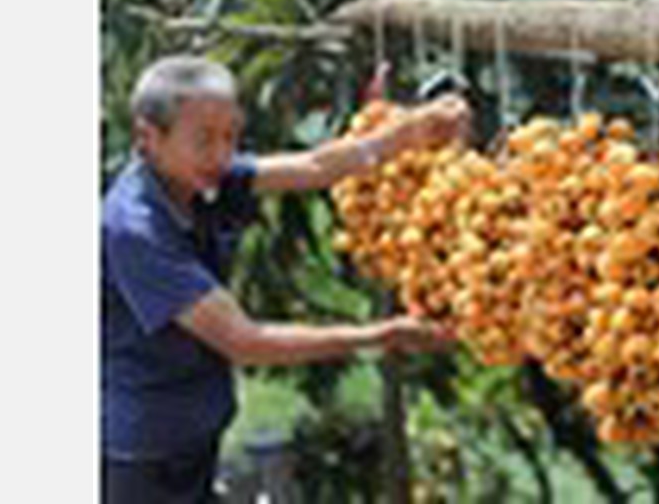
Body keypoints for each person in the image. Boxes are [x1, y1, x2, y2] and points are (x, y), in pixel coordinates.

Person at [101, 55, 469, 503]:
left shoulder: (196, 178)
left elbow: (314, 167)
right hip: (144, 455)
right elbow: (245, 342)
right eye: (204, 140)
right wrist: (382, 335)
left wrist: (406, 134)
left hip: (188, 430)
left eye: (231, 136)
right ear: (148, 138)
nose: (222, 155)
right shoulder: (136, 230)